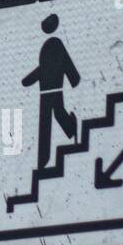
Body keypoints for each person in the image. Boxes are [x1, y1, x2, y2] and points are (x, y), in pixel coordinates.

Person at [21, 13, 79, 168]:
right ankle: (69, 131)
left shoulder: (53, 45)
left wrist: (74, 79)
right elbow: (46, 69)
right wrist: (74, 79)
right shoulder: (53, 45)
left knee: (52, 115)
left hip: (50, 88)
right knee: (55, 113)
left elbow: (52, 67)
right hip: (50, 88)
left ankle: (44, 159)